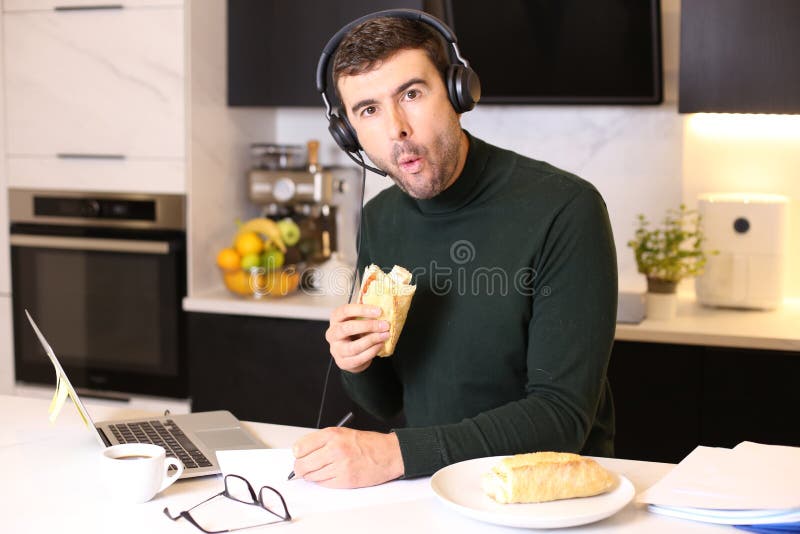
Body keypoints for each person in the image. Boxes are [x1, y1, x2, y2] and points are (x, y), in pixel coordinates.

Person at [290, 11, 617, 489]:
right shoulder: (381, 217)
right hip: (432, 487)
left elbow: (561, 418)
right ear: (349, 133)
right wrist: (355, 362)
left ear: (459, 92)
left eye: (411, 94)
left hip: (548, 495)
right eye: (368, 110)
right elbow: (396, 403)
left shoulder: (565, 208)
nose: (396, 128)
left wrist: (396, 452)